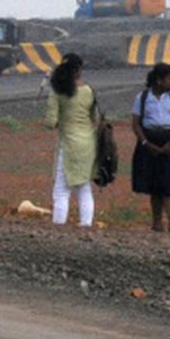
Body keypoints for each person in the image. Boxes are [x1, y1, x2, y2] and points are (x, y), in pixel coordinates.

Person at [131, 63, 170, 232]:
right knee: (154, 184)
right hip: (149, 142)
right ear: (158, 80)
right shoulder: (141, 98)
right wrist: (145, 143)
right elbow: (136, 124)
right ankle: (157, 222)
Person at [45, 54, 97, 227]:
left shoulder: (57, 91)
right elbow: (93, 118)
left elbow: (50, 122)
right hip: (88, 144)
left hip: (68, 144)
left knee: (61, 189)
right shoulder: (88, 90)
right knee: (84, 187)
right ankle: (86, 225)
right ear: (78, 70)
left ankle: (59, 226)